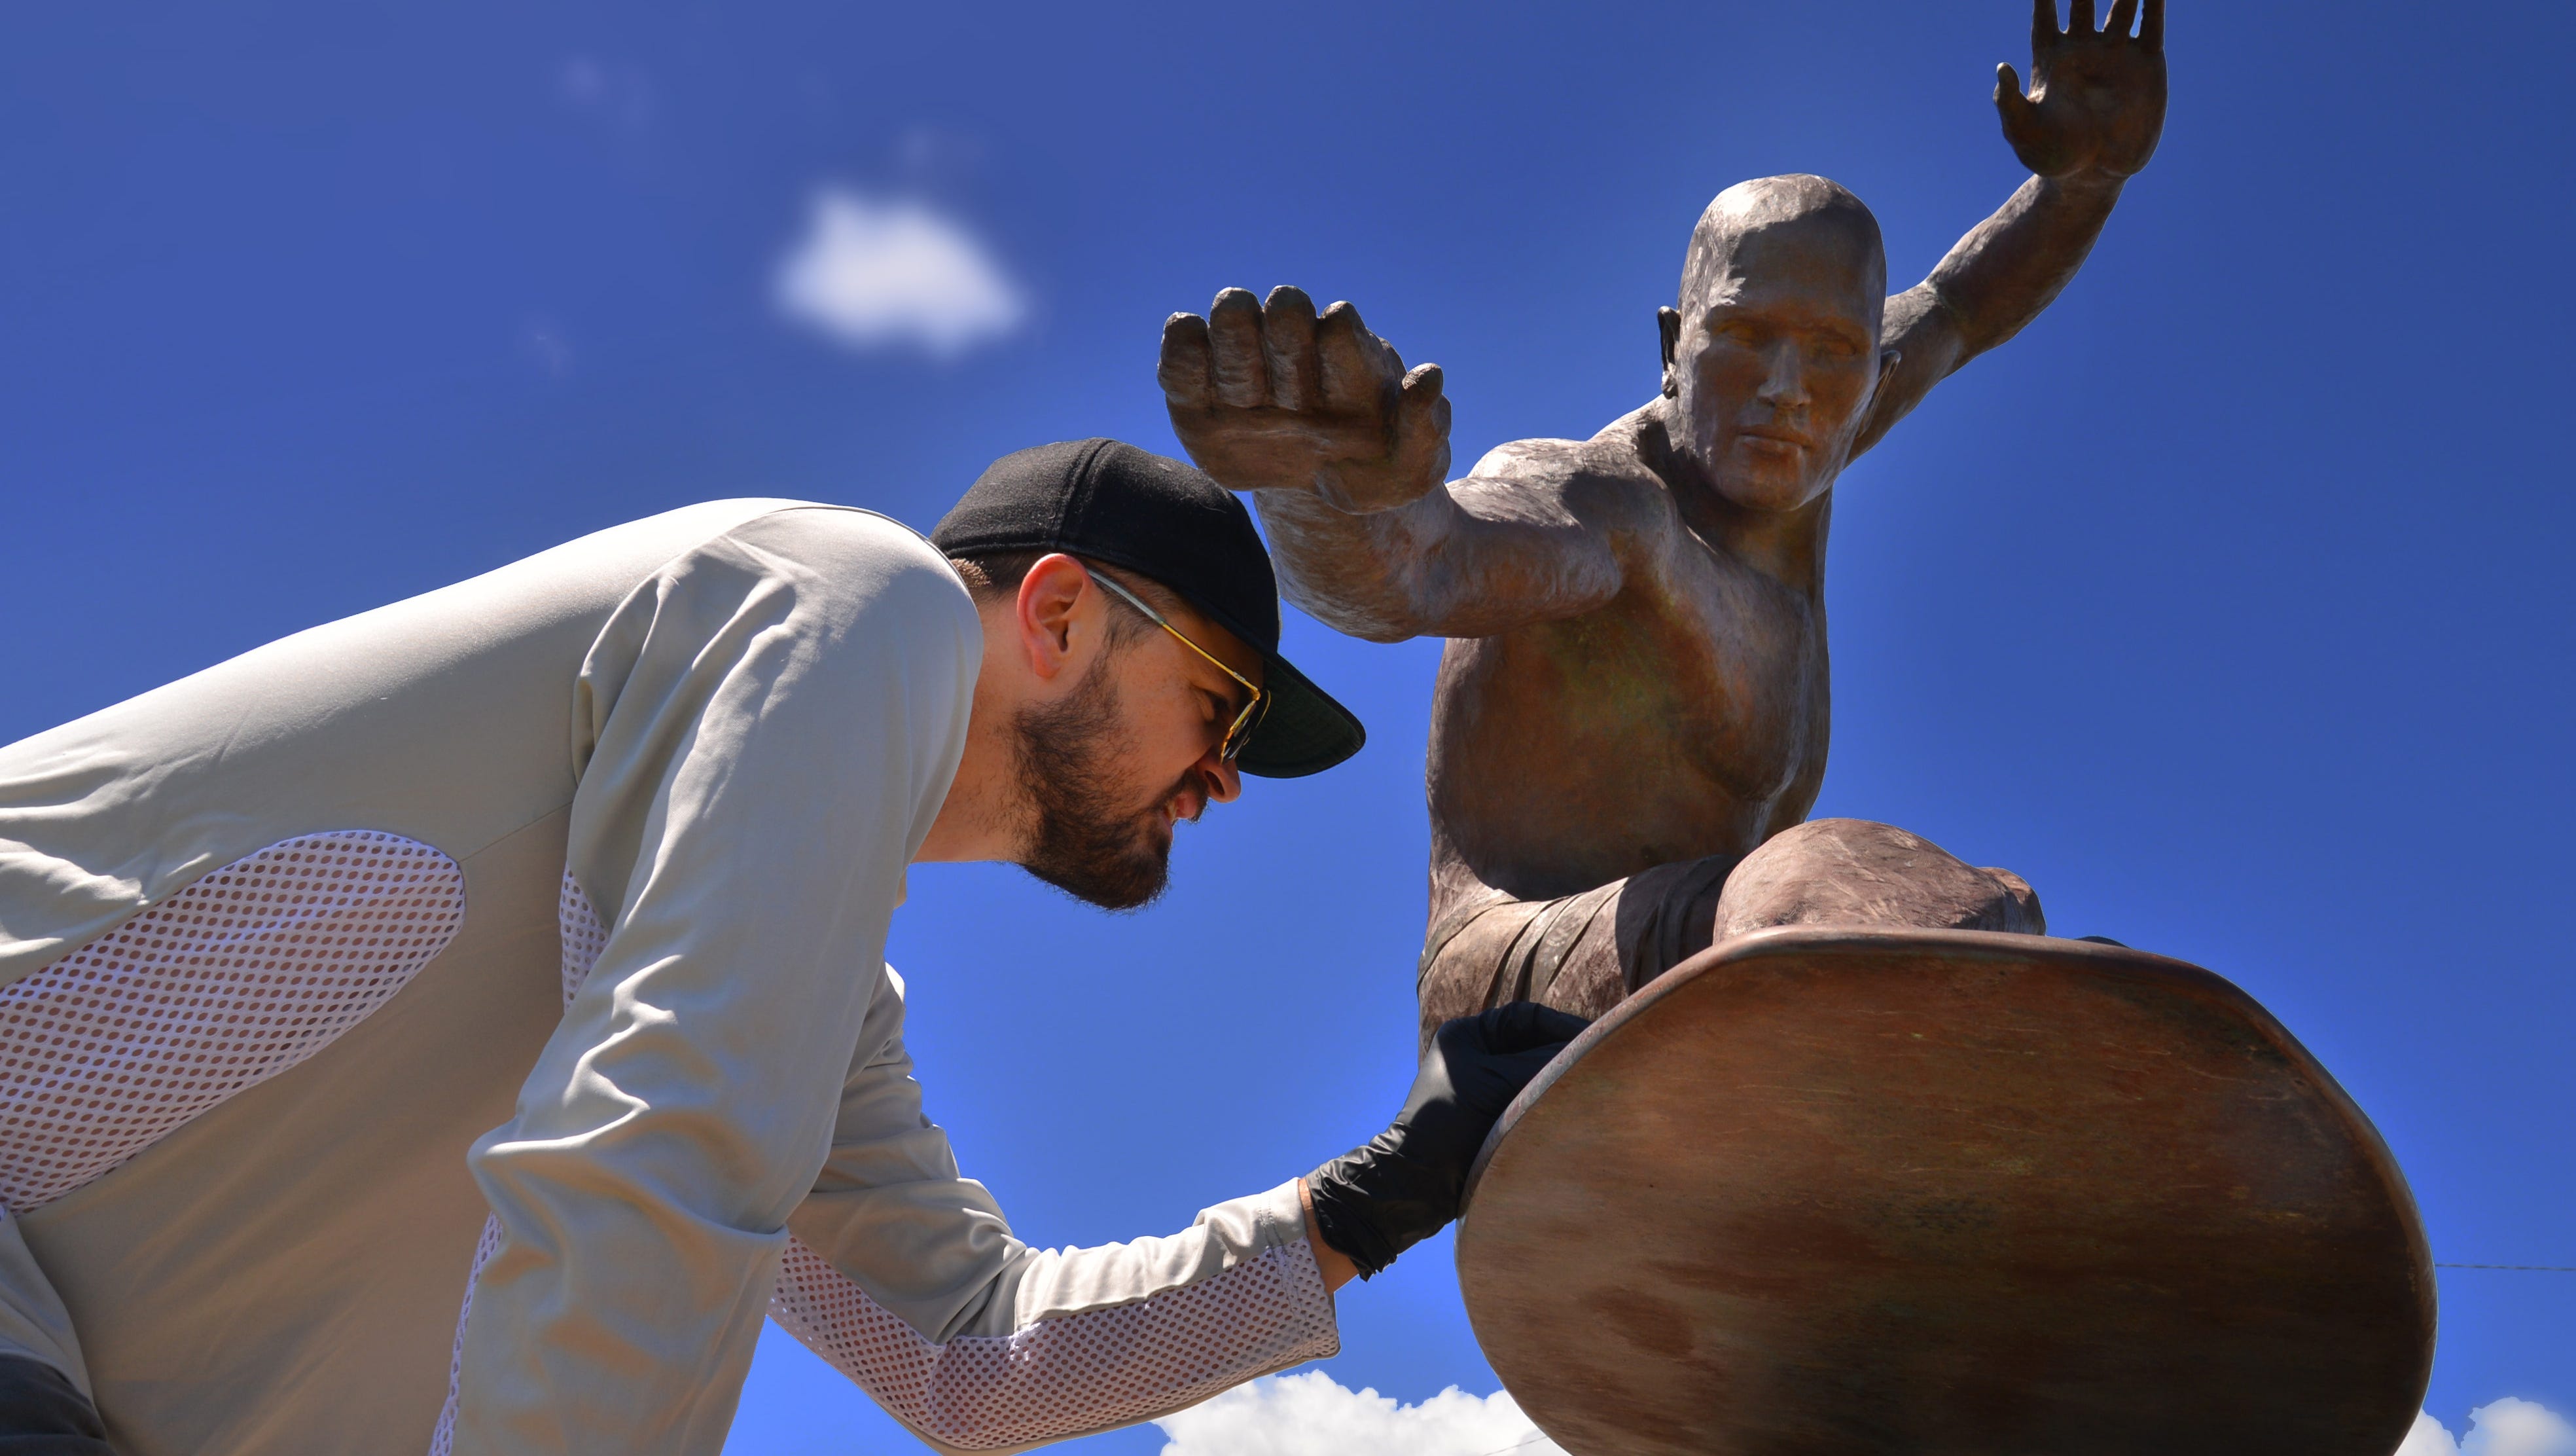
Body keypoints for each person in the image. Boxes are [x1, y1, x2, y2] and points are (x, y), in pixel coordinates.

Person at [0, 437, 1584, 1455]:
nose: (1228, 774)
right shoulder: (851, 592)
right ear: (1053, 614)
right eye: (1224, 702)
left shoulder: (812, 994)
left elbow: (971, 1355)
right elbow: (662, 1147)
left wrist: (1372, 1198)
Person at [1156, 1, 2165, 1044]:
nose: (1789, 387)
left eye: (1834, 353)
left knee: (1981, 910)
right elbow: (1415, 571)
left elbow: (1961, 307)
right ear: (1675, 347)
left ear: (1871, 370)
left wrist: (2084, 179)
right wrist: (1321, 491)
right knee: (1829, 892)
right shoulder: (1605, 506)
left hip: (1739, 943)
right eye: (1744, 337)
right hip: (1515, 974)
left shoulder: (1821, 420)